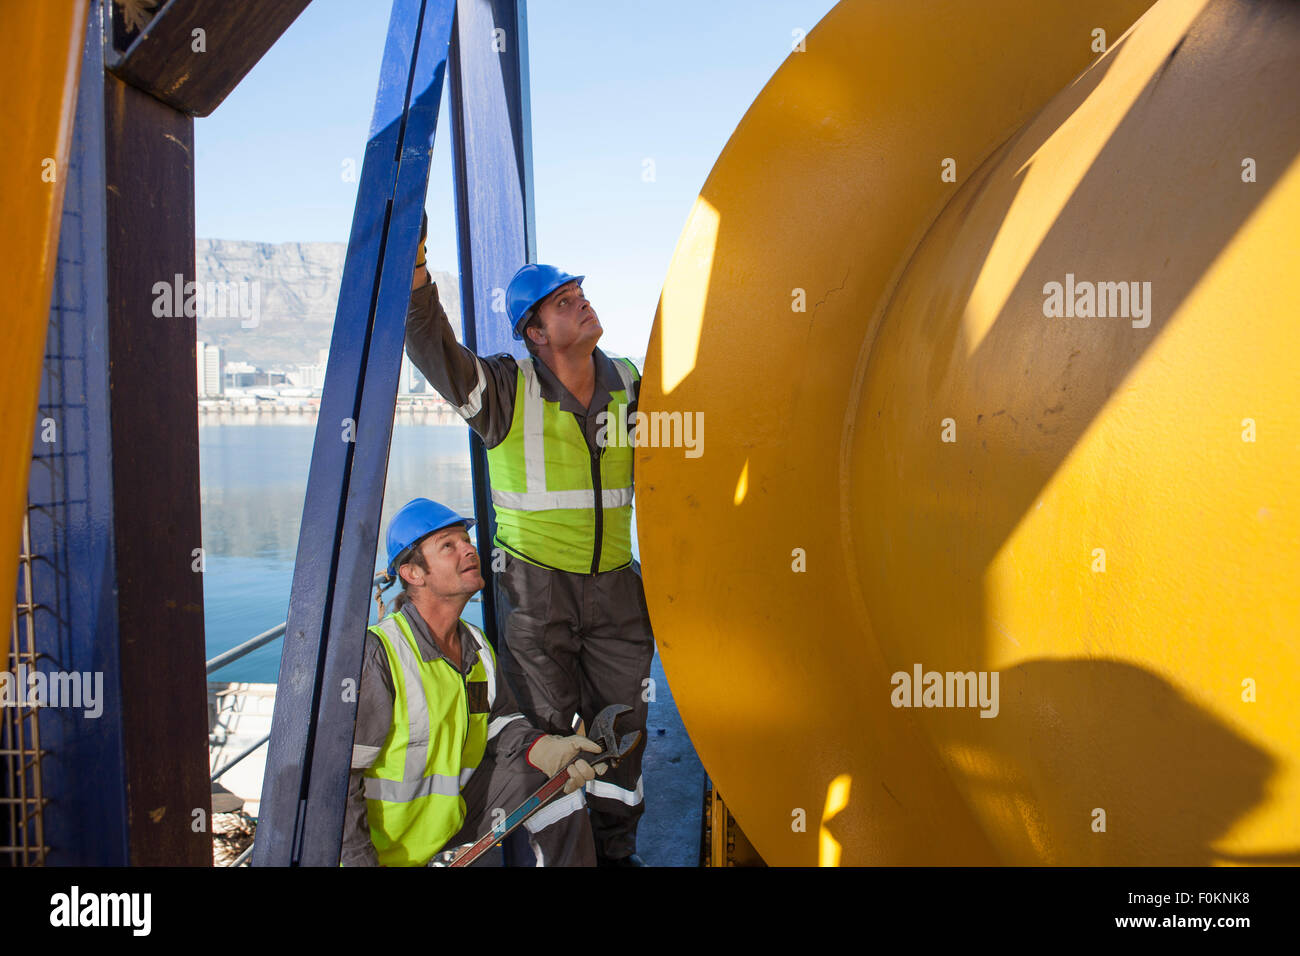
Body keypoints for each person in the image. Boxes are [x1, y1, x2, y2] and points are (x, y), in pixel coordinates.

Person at [405, 217, 654, 866]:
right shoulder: (505, 390)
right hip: (536, 598)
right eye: (563, 302)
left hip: (617, 591)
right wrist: (415, 273)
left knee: (624, 735)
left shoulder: (629, 383)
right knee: (548, 742)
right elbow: (433, 349)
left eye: (581, 293)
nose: (583, 302)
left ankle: (616, 854)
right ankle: (561, 857)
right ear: (536, 333)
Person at [341, 497, 604, 867]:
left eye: (466, 540)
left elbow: (499, 723)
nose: (469, 549)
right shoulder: (380, 656)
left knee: (557, 784)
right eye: (448, 545)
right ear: (413, 573)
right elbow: (338, 781)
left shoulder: (476, 647)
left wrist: (542, 748)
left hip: (451, 819)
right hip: (386, 852)